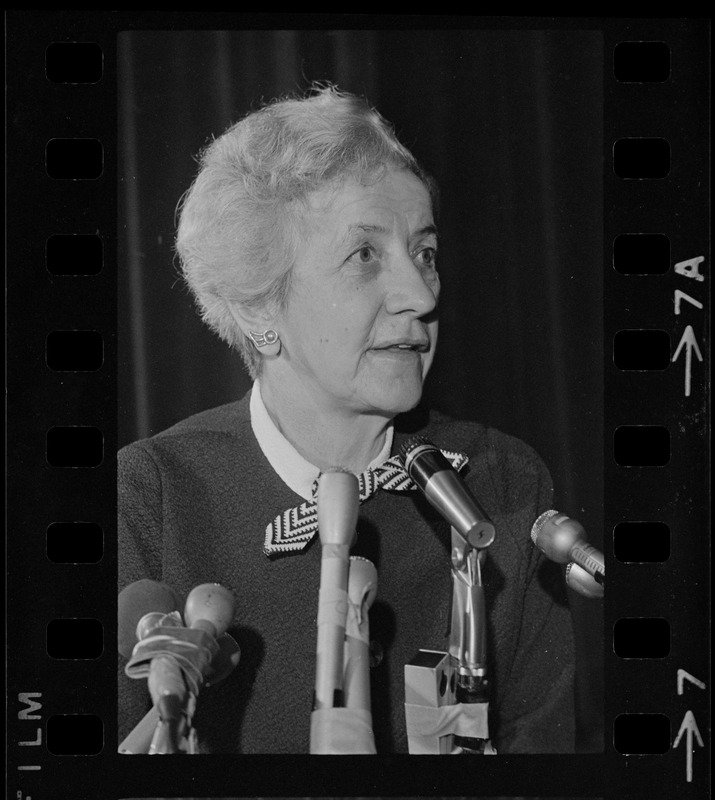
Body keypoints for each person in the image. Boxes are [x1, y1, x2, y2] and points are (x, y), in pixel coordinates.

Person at [118, 85, 575, 754]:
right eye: (364, 256)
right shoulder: (148, 498)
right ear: (260, 309)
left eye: (424, 253)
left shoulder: (502, 483)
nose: (420, 296)